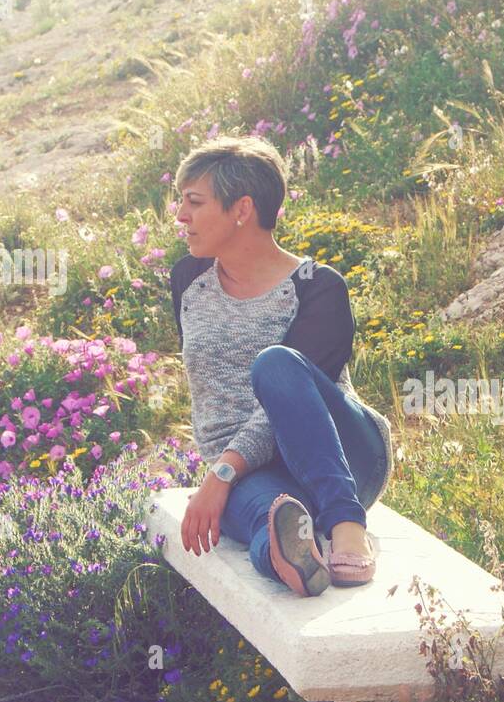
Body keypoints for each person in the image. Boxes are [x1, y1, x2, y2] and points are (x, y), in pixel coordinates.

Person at [168, 136, 393, 595]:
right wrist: (230, 473)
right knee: (268, 517)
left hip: (342, 454)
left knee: (276, 365)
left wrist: (222, 472)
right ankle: (294, 560)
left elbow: (290, 398)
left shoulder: (319, 288)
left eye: (194, 202)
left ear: (242, 209)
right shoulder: (188, 280)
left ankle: (348, 524)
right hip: (257, 475)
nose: (180, 216)